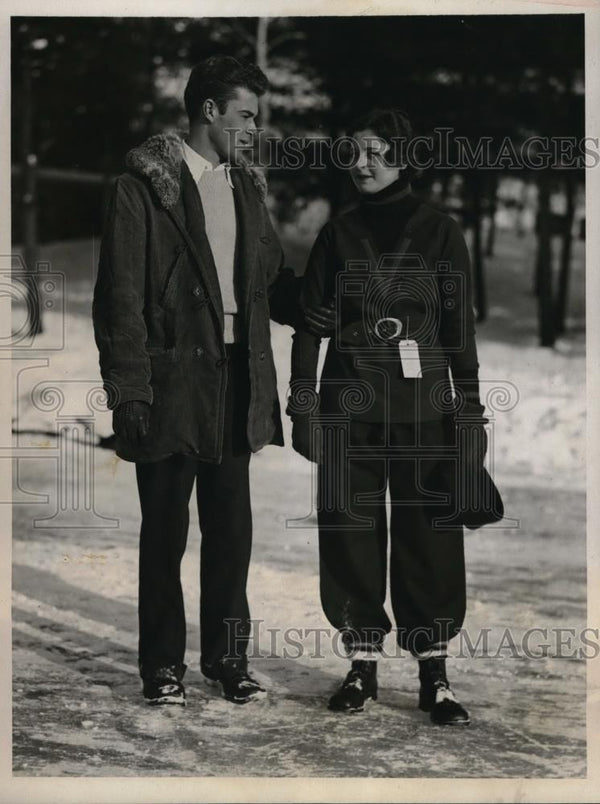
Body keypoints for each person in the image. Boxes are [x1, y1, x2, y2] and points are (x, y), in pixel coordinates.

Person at [93, 55, 333, 707]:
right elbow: (120, 298)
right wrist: (130, 389)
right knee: (165, 534)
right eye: (247, 115)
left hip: (236, 383)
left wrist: (308, 301)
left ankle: (228, 660)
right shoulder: (142, 188)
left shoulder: (247, 189)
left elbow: (269, 285)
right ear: (209, 111)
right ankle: (162, 666)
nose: (255, 129)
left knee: (232, 533)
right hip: (171, 385)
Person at [288, 108, 489, 725]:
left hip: (426, 415)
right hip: (350, 415)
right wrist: (304, 407)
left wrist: (471, 412)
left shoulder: (439, 231)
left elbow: (458, 330)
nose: (361, 163)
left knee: (430, 540)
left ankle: (436, 677)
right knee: (349, 537)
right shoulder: (338, 234)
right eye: (352, 152)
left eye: (374, 152)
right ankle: (361, 666)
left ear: (403, 157)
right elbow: (308, 328)